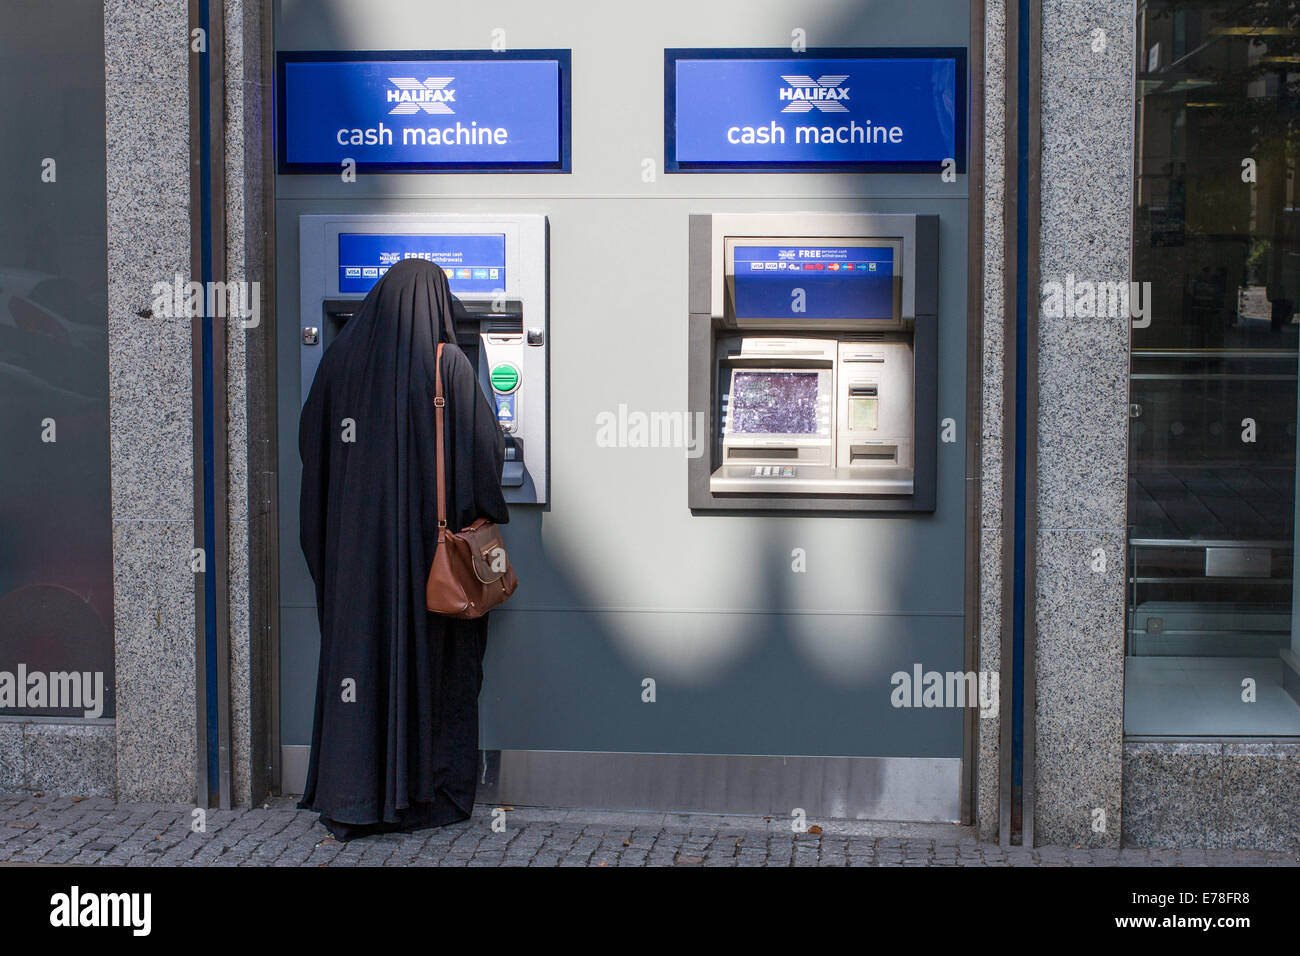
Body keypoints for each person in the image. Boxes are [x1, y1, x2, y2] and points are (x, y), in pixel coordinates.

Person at [296, 257, 508, 841]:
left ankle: (352, 796)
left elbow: (311, 451)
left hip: (353, 563)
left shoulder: (338, 361)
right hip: (425, 564)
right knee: (430, 670)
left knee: (357, 668)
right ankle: (418, 797)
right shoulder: (450, 368)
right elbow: (486, 459)